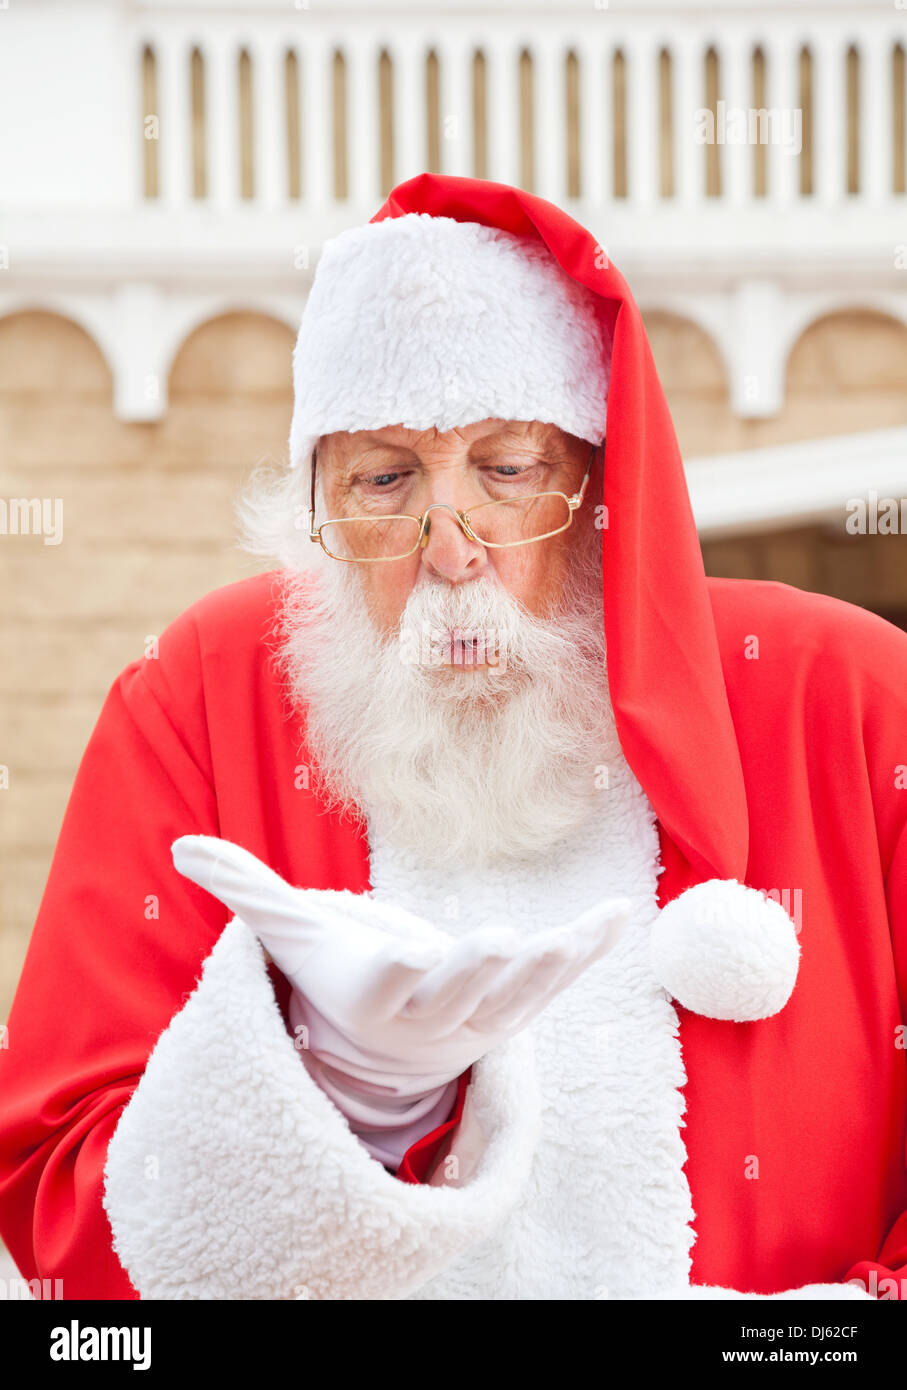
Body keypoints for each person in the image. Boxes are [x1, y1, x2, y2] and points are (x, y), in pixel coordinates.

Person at [0, 173, 904, 1301]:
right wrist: (339, 1088)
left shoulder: (850, 698)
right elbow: (60, 1228)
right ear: (316, 508)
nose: (451, 546)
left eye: (507, 470)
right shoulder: (203, 694)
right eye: (384, 479)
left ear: (599, 482)